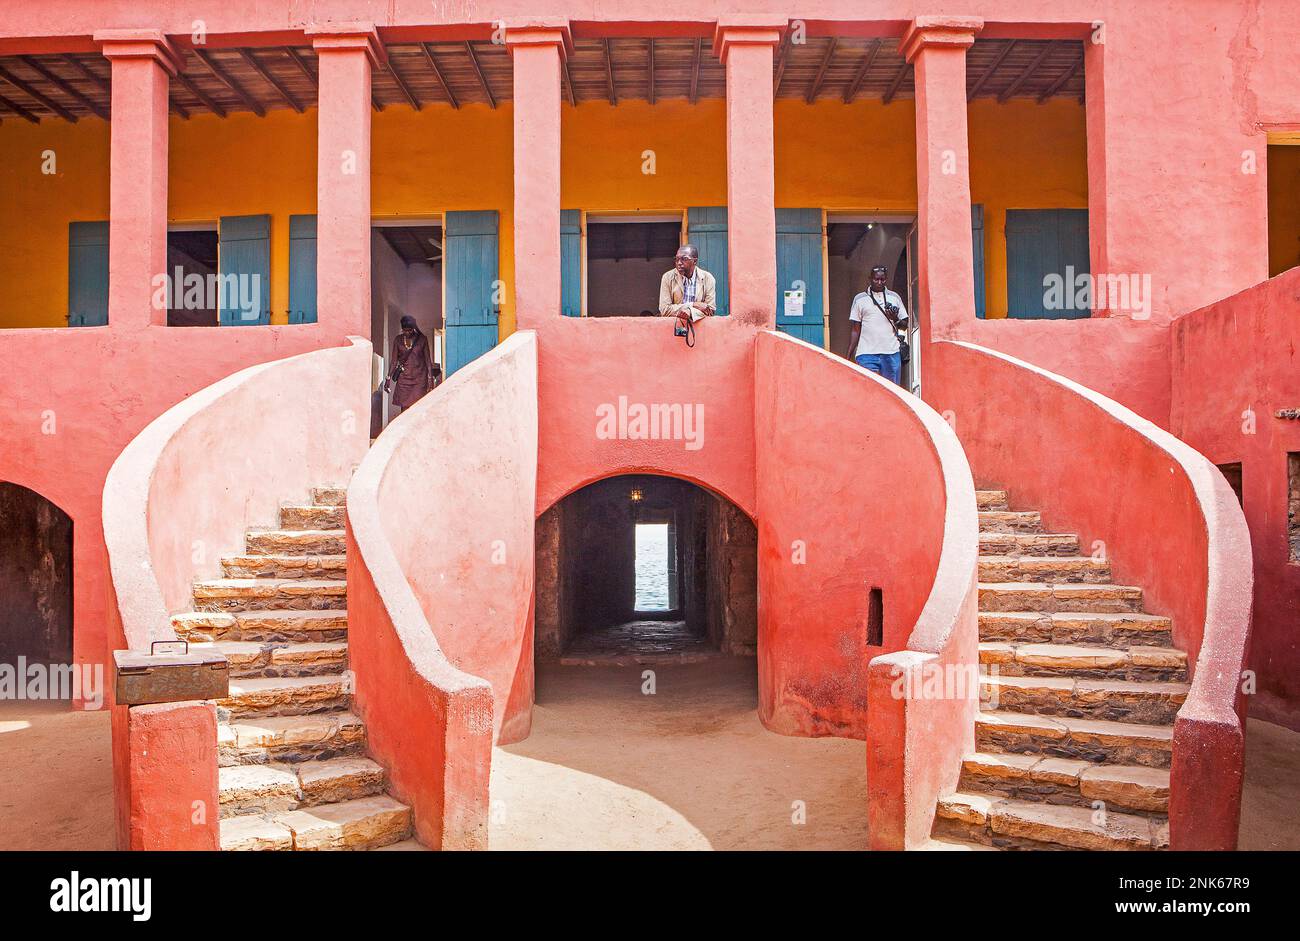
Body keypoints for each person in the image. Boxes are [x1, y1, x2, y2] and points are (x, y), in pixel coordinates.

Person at [845, 265, 909, 386]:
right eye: (876, 279)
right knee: (867, 388)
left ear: (886, 279)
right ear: (870, 279)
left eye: (883, 280)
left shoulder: (894, 297)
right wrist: (848, 355)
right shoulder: (860, 299)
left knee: (892, 391)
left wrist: (895, 318)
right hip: (866, 353)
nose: (879, 282)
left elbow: (904, 325)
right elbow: (855, 329)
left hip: (891, 351)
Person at [384, 315, 436, 415]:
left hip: (419, 380)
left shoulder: (422, 339)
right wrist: (388, 378)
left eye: (409, 330)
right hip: (404, 380)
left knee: (418, 407)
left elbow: (428, 361)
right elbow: (394, 361)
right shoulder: (398, 340)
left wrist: (430, 379)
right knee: (404, 408)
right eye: (404, 330)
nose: (407, 333)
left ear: (414, 329)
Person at [658, 244, 716, 328]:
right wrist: (693, 305)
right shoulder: (667, 277)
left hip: (700, 329)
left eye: (684, 259)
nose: (679, 263)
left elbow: (710, 309)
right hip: (674, 330)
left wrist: (691, 312)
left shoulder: (708, 278)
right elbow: (665, 309)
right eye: (677, 259)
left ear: (695, 261)